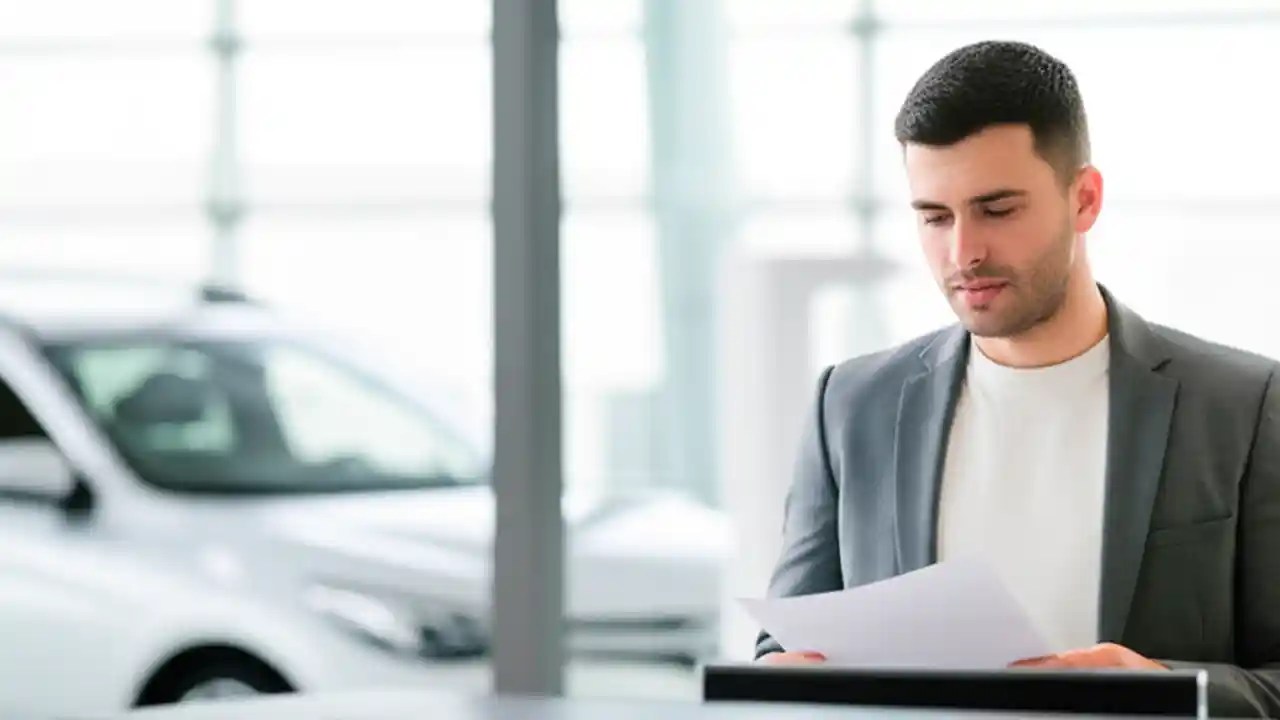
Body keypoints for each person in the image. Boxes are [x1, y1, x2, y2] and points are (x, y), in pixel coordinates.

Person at [753, 40, 1280, 718]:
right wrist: (785, 675)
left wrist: (1166, 688)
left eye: (998, 210)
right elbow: (784, 646)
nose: (964, 252)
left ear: (1084, 199)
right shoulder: (851, 406)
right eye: (934, 217)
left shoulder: (1242, 407)